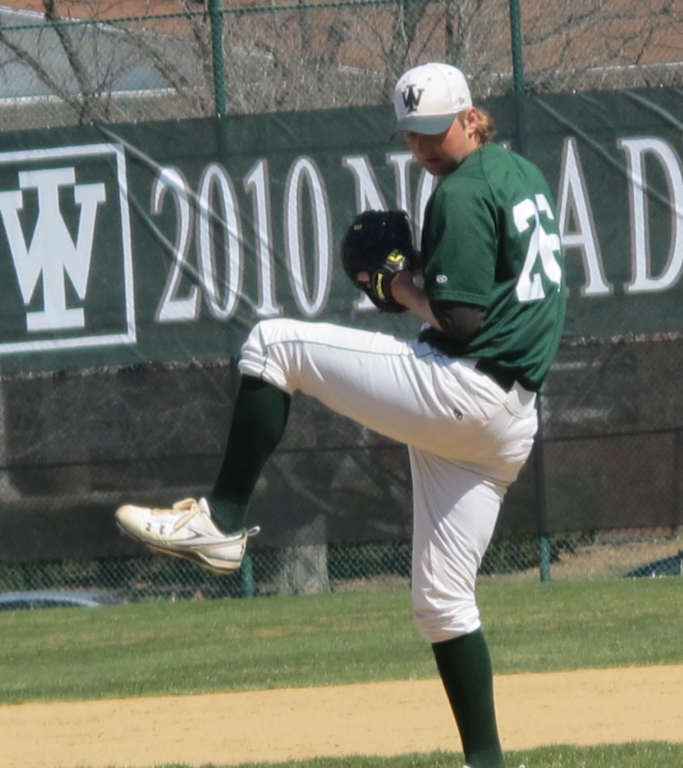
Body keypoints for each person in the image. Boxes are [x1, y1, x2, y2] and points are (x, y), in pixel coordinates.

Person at [115, 61, 566, 768]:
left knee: (273, 344)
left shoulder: (461, 191)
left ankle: (222, 522)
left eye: (434, 130)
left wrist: (395, 284)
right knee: (442, 604)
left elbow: (461, 320)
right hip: (510, 419)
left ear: (472, 118)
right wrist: (421, 279)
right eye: (412, 135)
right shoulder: (524, 179)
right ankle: (487, 763)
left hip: (465, 389)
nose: (422, 147)